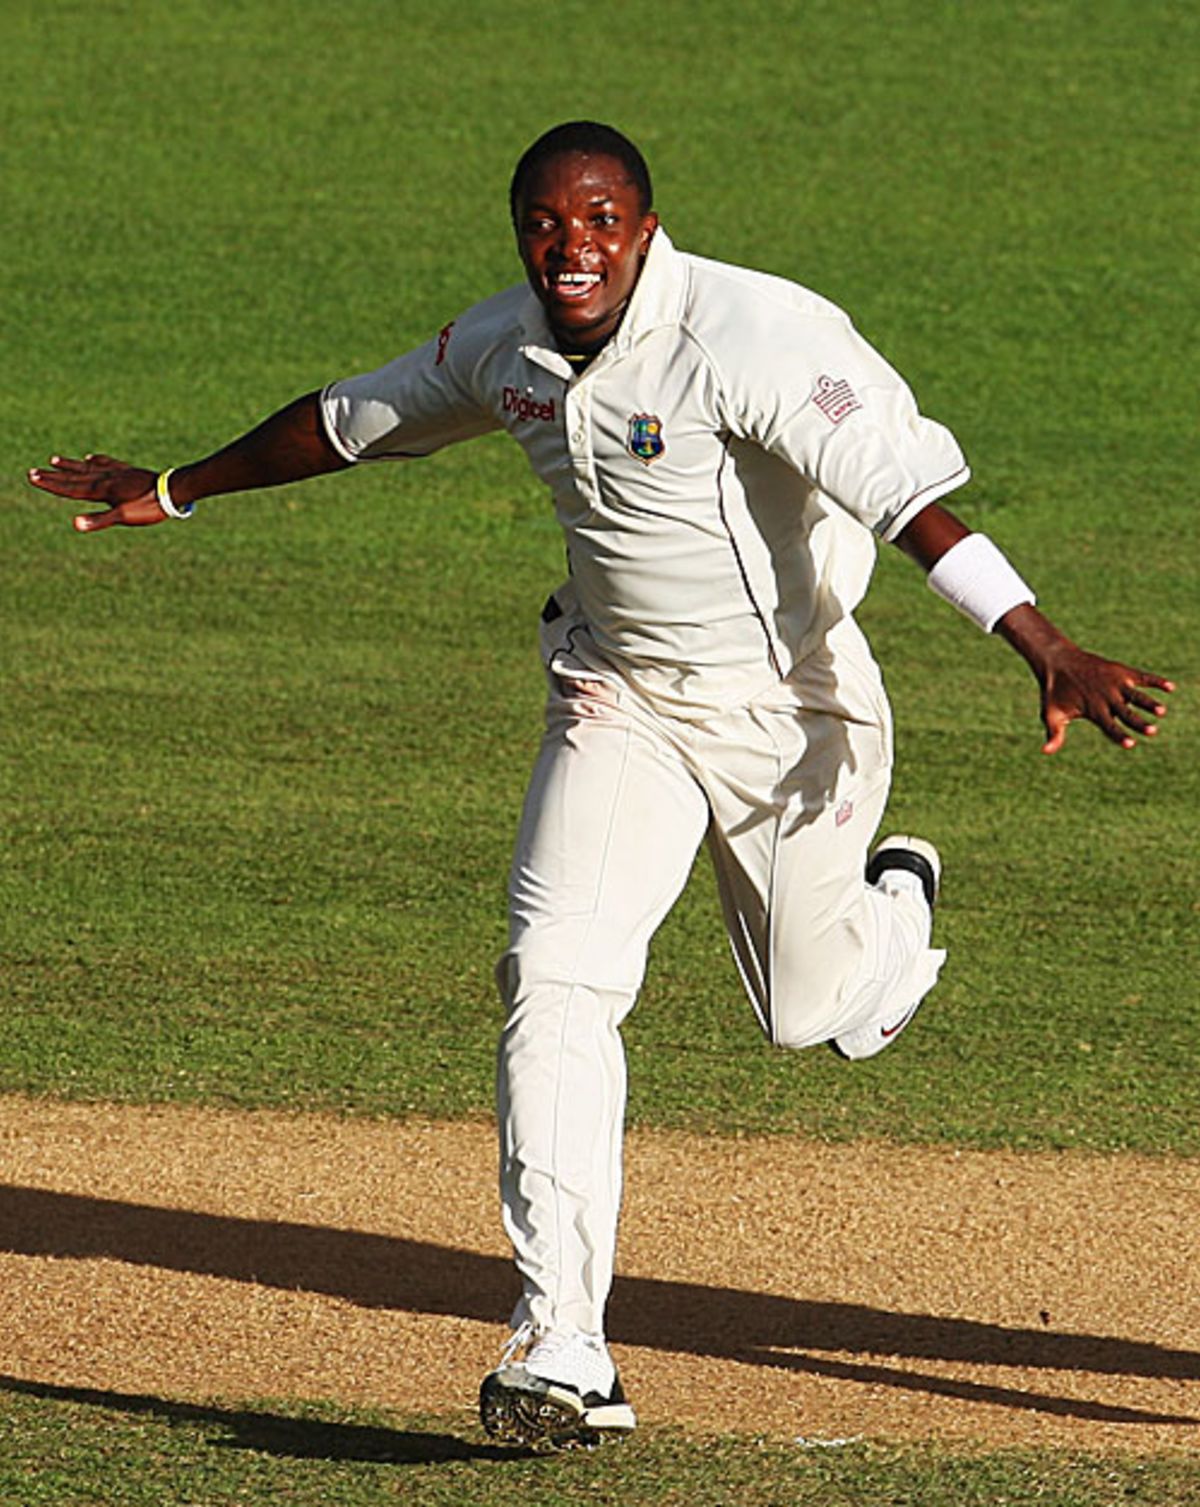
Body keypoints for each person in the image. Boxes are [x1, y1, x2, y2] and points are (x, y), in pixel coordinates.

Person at [29, 120, 1173, 1453]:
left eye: (598, 222)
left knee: (808, 1012)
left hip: (790, 711)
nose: (570, 250)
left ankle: (895, 910)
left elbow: (907, 507)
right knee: (555, 975)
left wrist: (1043, 644)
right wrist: (176, 488)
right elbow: (350, 421)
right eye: (545, 224)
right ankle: (561, 1340)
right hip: (615, 695)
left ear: (644, 226)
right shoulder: (504, 343)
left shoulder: (753, 336)